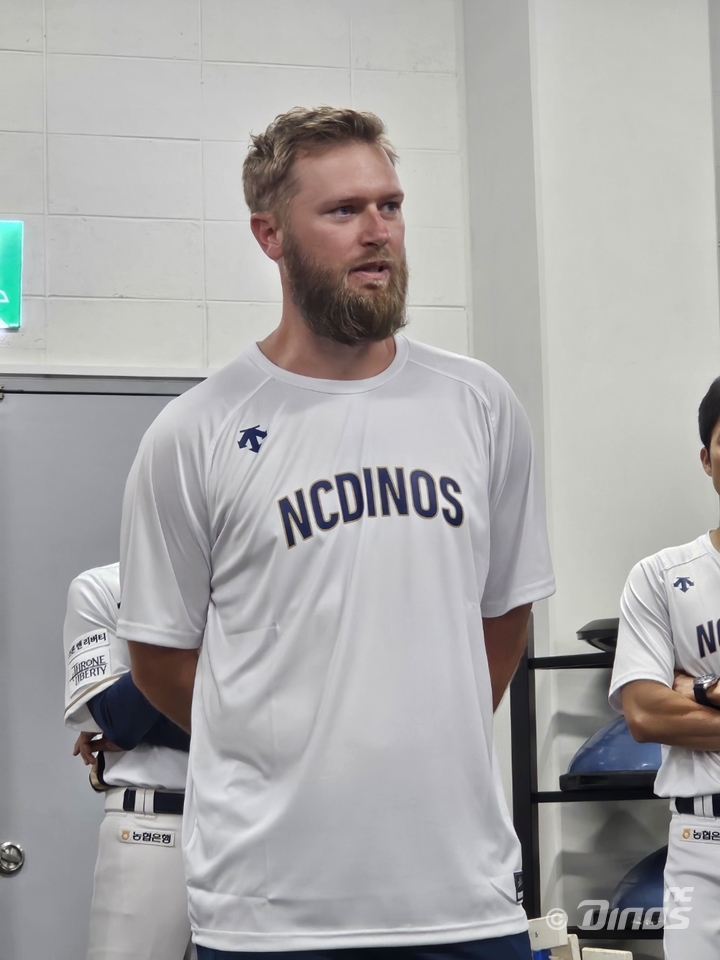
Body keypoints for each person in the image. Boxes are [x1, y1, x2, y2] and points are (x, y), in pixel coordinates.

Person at [117, 106, 555, 960]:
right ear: (270, 235)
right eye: (344, 210)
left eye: (389, 206)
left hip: (463, 899)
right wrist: (285, 747)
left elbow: (504, 617)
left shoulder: (479, 404)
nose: (377, 232)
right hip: (270, 912)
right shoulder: (196, 431)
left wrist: (427, 728)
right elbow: (162, 659)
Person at [610, 375, 720, 958]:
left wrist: (695, 689)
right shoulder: (660, 575)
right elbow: (646, 715)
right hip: (703, 839)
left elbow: (670, 703)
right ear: (707, 458)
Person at [63, 562, 195, 960]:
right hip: (152, 824)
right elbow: (117, 716)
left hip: (251, 815)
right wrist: (187, 611)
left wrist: (140, 732)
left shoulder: (247, 577)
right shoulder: (101, 586)